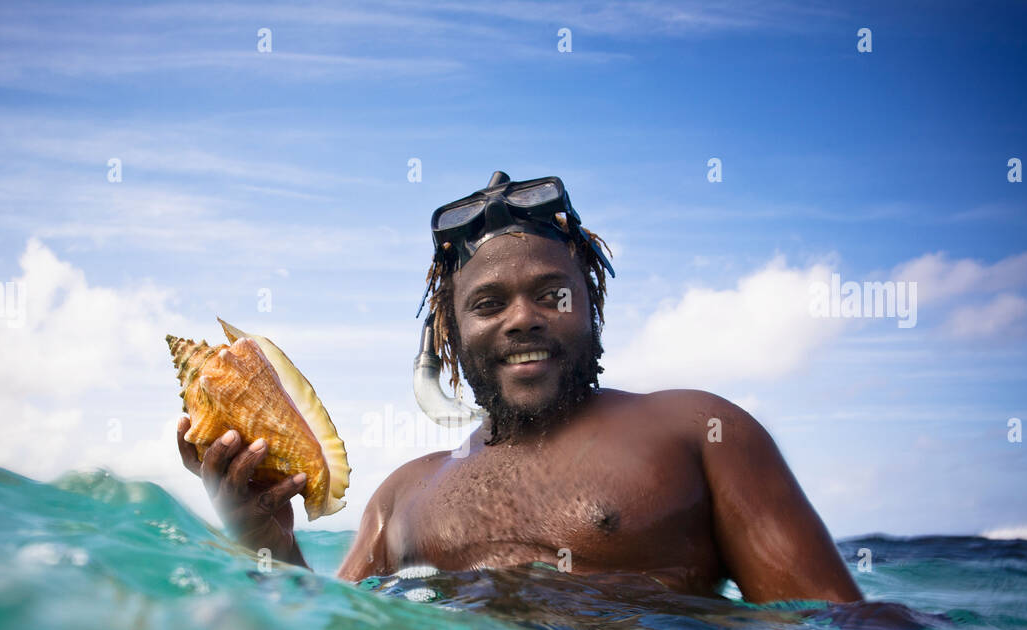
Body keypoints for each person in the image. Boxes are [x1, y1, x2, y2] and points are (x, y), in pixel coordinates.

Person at [178, 171, 862, 603]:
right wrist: (261, 535)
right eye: (488, 304)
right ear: (446, 333)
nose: (523, 318)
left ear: (591, 302)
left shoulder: (700, 432)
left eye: (551, 294)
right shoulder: (399, 497)